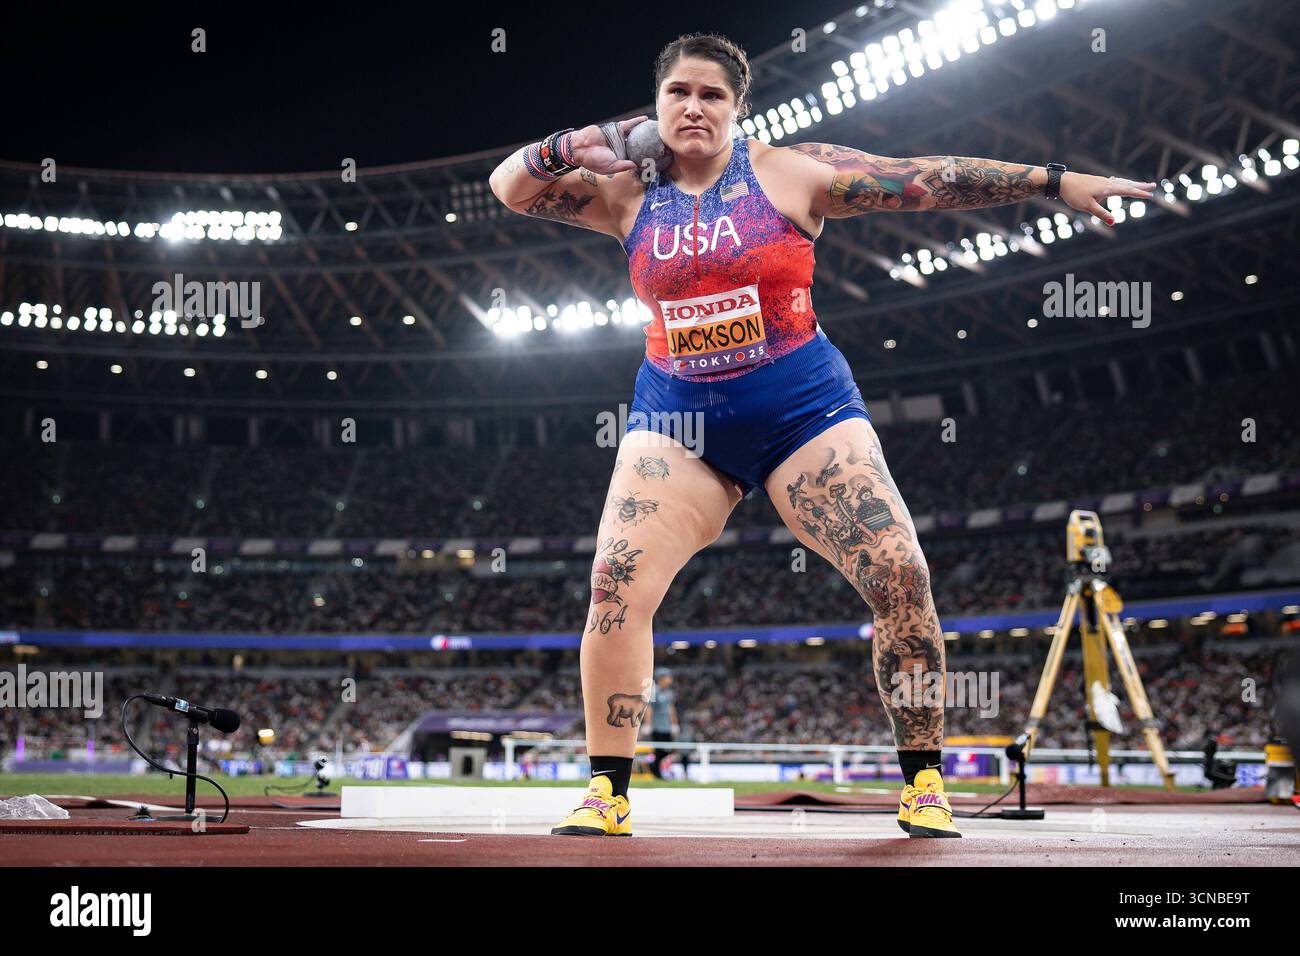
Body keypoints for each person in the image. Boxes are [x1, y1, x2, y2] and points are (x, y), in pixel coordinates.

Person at [489, 32, 1155, 839]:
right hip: (677, 420)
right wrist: (568, 146)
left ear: (738, 107)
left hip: (804, 413)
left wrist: (1054, 180)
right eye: (678, 94)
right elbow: (509, 188)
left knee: (901, 572)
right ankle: (607, 790)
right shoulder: (623, 190)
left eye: (712, 95)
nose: (693, 107)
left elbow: (928, 181)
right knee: (615, 585)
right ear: (655, 105)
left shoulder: (791, 172)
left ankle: (923, 782)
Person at [644, 667, 680, 780]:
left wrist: (674, 724)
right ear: (661, 678)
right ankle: (655, 770)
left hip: (666, 727)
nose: (670, 679)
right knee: (659, 749)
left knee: (668, 750)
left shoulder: (669, 692)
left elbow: (671, 709)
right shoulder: (653, 692)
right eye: (668, 677)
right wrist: (648, 725)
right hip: (657, 727)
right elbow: (649, 708)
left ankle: (654, 766)